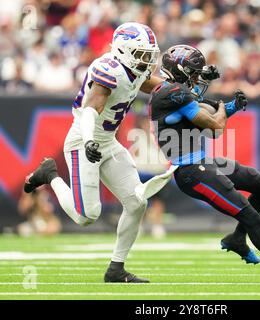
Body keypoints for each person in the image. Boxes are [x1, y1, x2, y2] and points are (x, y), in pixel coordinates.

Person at [148, 44, 260, 283]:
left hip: (203, 162)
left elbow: (207, 113)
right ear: (180, 71)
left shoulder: (174, 90)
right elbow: (215, 126)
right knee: (250, 216)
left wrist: (231, 106)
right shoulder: (173, 92)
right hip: (190, 171)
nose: (197, 77)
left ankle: (236, 238)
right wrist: (225, 108)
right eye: (194, 72)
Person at [23, 22, 165, 283]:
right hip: (83, 140)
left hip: (108, 141)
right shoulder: (108, 70)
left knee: (137, 202)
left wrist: (184, 89)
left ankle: (116, 268)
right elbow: (90, 109)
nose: (147, 60)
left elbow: (148, 84)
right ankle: (50, 174)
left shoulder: (132, 69)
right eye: (142, 54)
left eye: (149, 54)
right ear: (124, 51)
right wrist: (89, 141)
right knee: (86, 216)